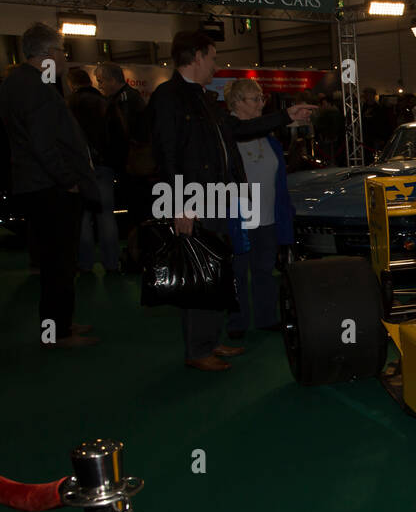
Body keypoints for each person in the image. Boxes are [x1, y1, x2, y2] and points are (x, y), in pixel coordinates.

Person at [149, 30, 314, 372]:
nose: (215, 64)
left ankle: (209, 340)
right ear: (196, 57)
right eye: (211, 56)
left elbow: (236, 130)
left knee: (216, 274)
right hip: (195, 199)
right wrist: (179, 206)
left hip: (216, 199)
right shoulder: (169, 97)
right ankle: (197, 350)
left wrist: (286, 117)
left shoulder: (202, 98)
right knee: (199, 276)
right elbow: (166, 155)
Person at [0, 23, 100, 348]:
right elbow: (44, 143)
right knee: (59, 262)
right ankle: (56, 332)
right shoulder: (36, 89)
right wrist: (67, 180)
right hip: (51, 188)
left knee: (53, 262)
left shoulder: (17, 83)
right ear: (46, 54)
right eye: (60, 51)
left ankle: (59, 324)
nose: (63, 58)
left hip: (36, 184)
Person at [223, 78, 296, 338]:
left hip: (267, 215)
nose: (260, 104)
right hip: (238, 216)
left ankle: (266, 317)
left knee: (265, 270)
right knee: (238, 273)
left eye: (261, 98)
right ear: (237, 103)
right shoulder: (228, 134)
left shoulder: (267, 135)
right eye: (255, 99)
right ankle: (237, 322)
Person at [94, 62, 151, 269]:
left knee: (138, 214)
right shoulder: (126, 99)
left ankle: (139, 256)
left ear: (111, 80)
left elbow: (125, 136)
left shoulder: (124, 101)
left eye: (101, 81)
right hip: (132, 166)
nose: (100, 86)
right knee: (137, 213)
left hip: (133, 167)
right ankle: (138, 254)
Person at [66, 67, 121, 274]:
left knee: (82, 217)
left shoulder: (67, 105)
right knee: (106, 215)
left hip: (79, 167)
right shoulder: (105, 104)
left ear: (72, 84)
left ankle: (85, 263)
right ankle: (112, 262)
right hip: (104, 165)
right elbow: (118, 136)